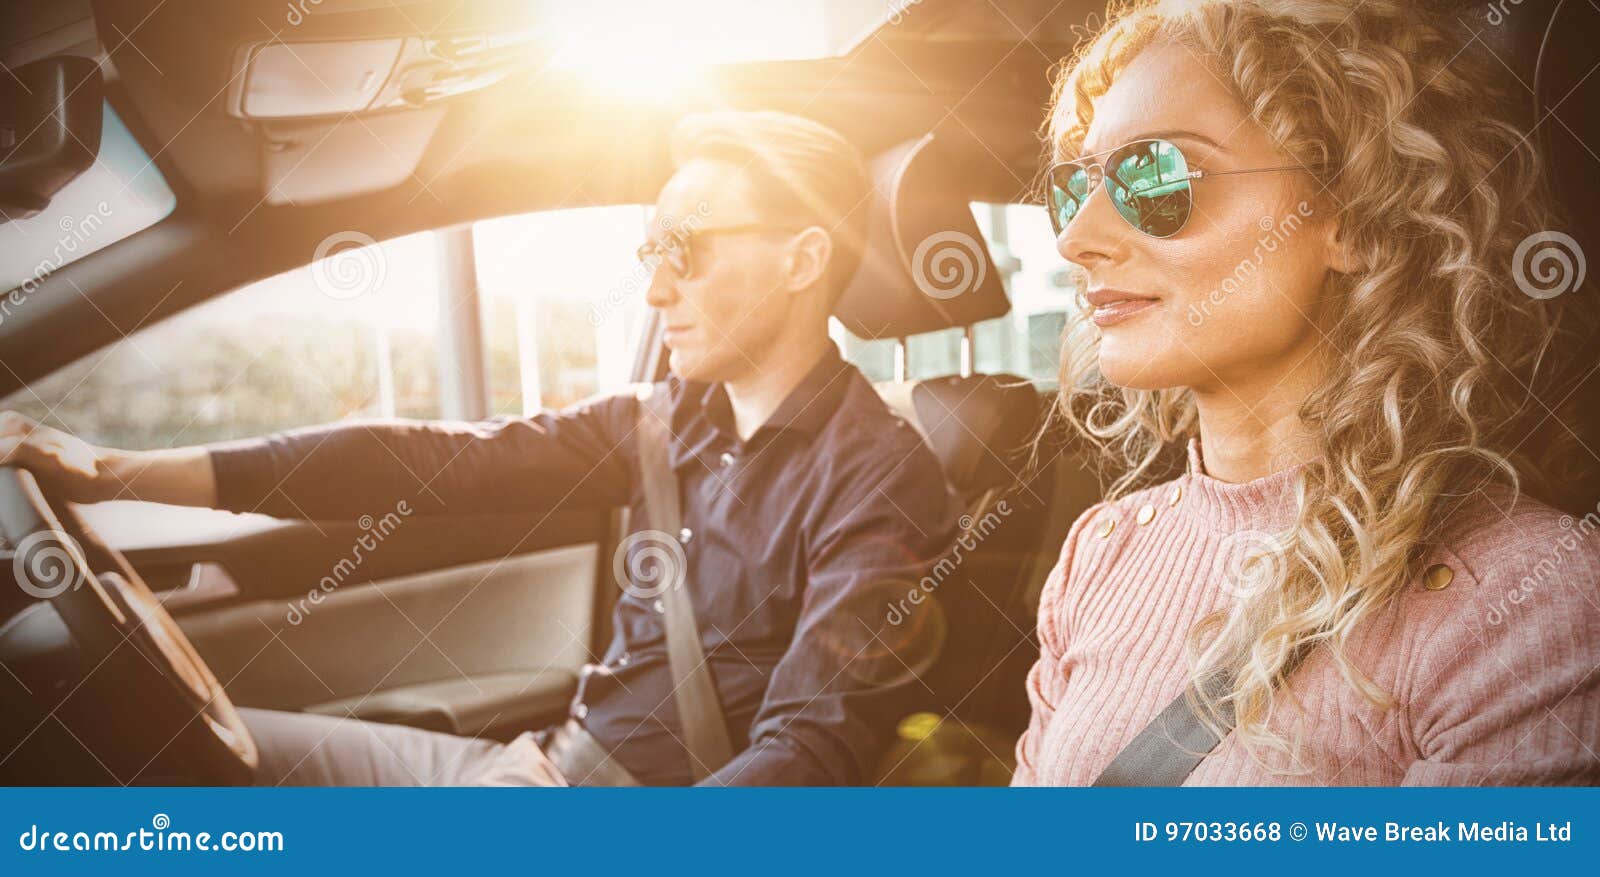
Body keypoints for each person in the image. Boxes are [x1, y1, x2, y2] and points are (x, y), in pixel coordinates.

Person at [0, 110, 963, 786]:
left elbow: (806, 748)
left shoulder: (879, 478)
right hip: (532, 765)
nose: (656, 288)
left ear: (802, 259)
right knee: (188, 753)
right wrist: (117, 471)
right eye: (650, 252)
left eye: (688, 249)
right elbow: (427, 462)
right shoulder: (668, 418)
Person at [1015, 0, 1600, 785]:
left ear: (1352, 217)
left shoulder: (1526, 597)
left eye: (1153, 175)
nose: (1075, 238)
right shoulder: (1099, 554)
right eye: (1073, 188)